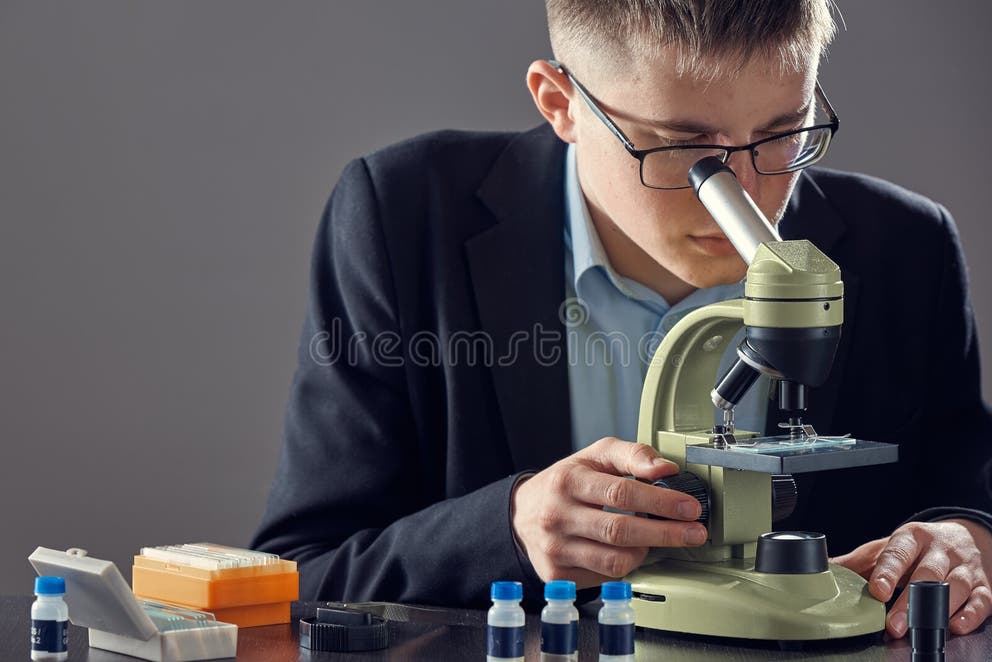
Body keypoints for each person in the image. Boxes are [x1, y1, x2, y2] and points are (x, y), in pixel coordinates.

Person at [252, 0, 992, 640]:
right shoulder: (403, 217)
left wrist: (967, 541)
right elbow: (301, 571)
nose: (750, 194)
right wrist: (507, 529)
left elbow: (969, 494)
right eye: (685, 150)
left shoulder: (907, 245)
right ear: (560, 103)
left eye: (782, 133)